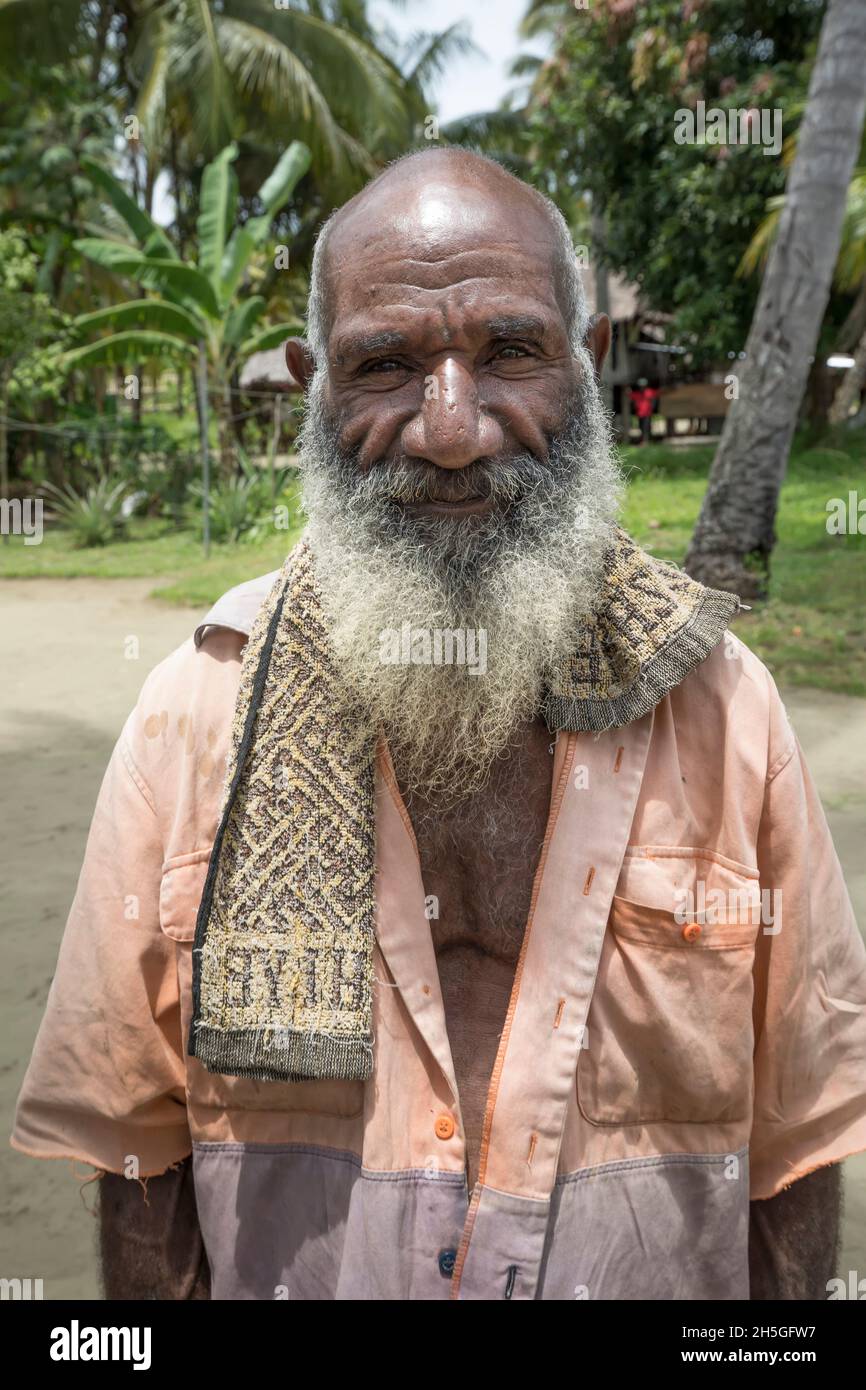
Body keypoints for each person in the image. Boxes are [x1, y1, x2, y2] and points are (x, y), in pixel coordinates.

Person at [11, 148, 866, 1302]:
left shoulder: (719, 709)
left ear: (588, 362)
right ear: (315, 384)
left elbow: (794, 1141)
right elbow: (134, 1145)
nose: (450, 430)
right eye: (385, 367)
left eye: (509, 352)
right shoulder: (197, 711)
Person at [629, 376, 659, 445]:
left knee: (646, 427)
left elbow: (656, 395)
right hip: (639, 414)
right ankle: (645, 440)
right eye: (641, 386)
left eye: (643, 386)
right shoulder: (637, 394)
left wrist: (652, 408)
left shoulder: (650, 392)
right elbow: (629, 395)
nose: (642, 387)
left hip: (647, 413)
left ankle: (645, 441)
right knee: (641, 427)